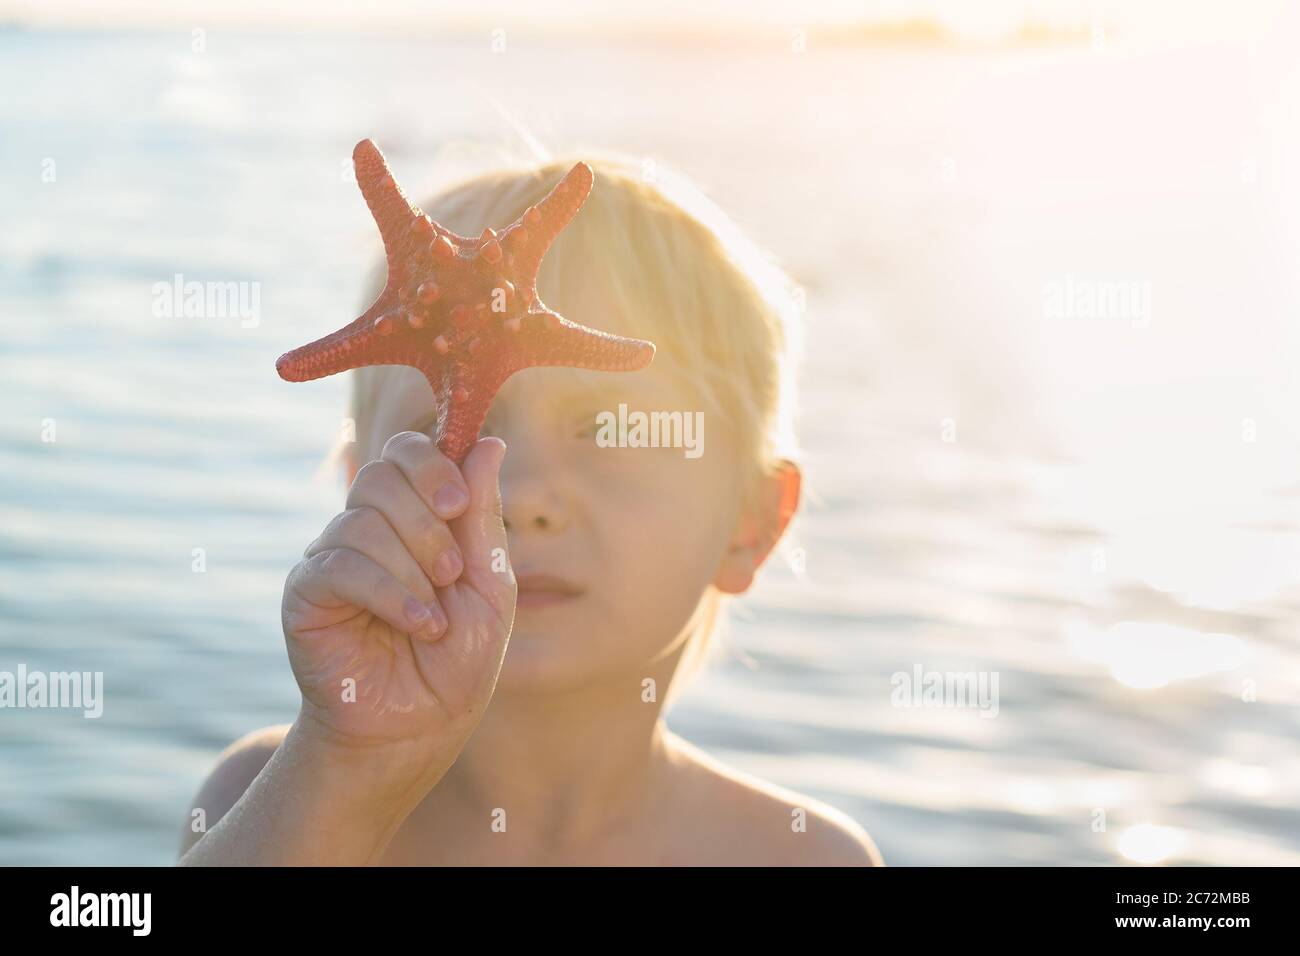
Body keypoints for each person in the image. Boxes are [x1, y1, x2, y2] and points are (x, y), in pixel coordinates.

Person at [178, 152, 883, 866]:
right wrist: (345, 765)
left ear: (751, 524)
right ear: (363, 491)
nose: (520, 496)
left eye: (610, 430)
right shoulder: (276, 803)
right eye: (450, 427)